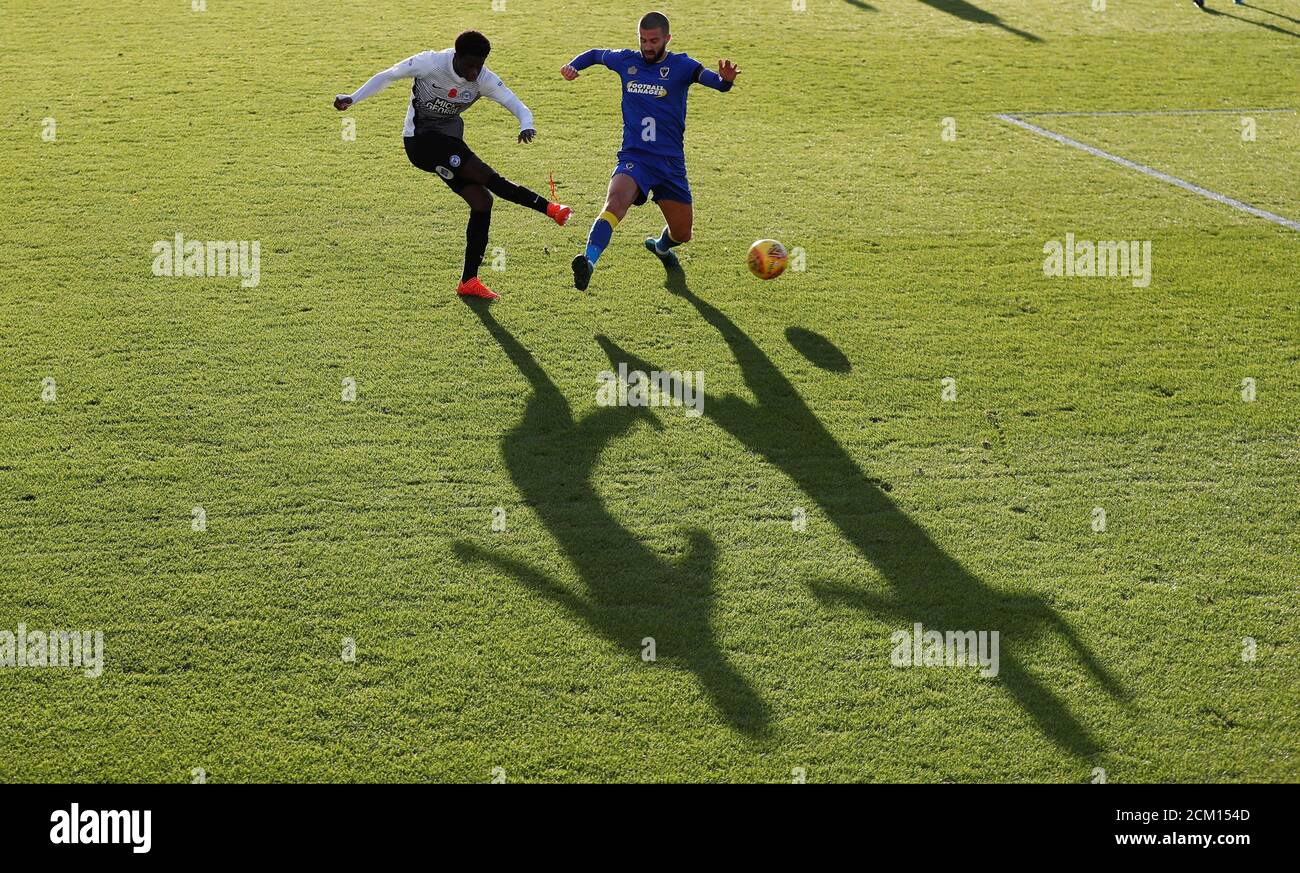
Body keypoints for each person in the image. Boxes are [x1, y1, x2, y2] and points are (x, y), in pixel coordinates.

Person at [335, 30, 571, 301]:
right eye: (470, 66)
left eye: (479, 66)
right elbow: (387, 75)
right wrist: (353, 97)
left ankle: (469, 280)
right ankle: (550, 209)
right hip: (421, 142)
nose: (474, 73)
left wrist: (526, 124)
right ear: (456, 55)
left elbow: (517, 104)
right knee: (488, 177)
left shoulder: (483, 79)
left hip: (447, 143)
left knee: (482, 202)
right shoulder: (430, 63)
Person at [560, 12, 739, 291]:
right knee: (615, 203)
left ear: (667, 38)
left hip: (670, 164)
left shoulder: (682, 66)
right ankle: (589, 262)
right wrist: (573, 66)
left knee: (683, 233)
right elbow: (595, 54)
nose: (647, 46)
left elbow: (714, 81)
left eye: (654, 40)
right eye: (643, 40)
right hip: (635, 157)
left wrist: (725, 80)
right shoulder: (626, 61)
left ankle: (661, 247)